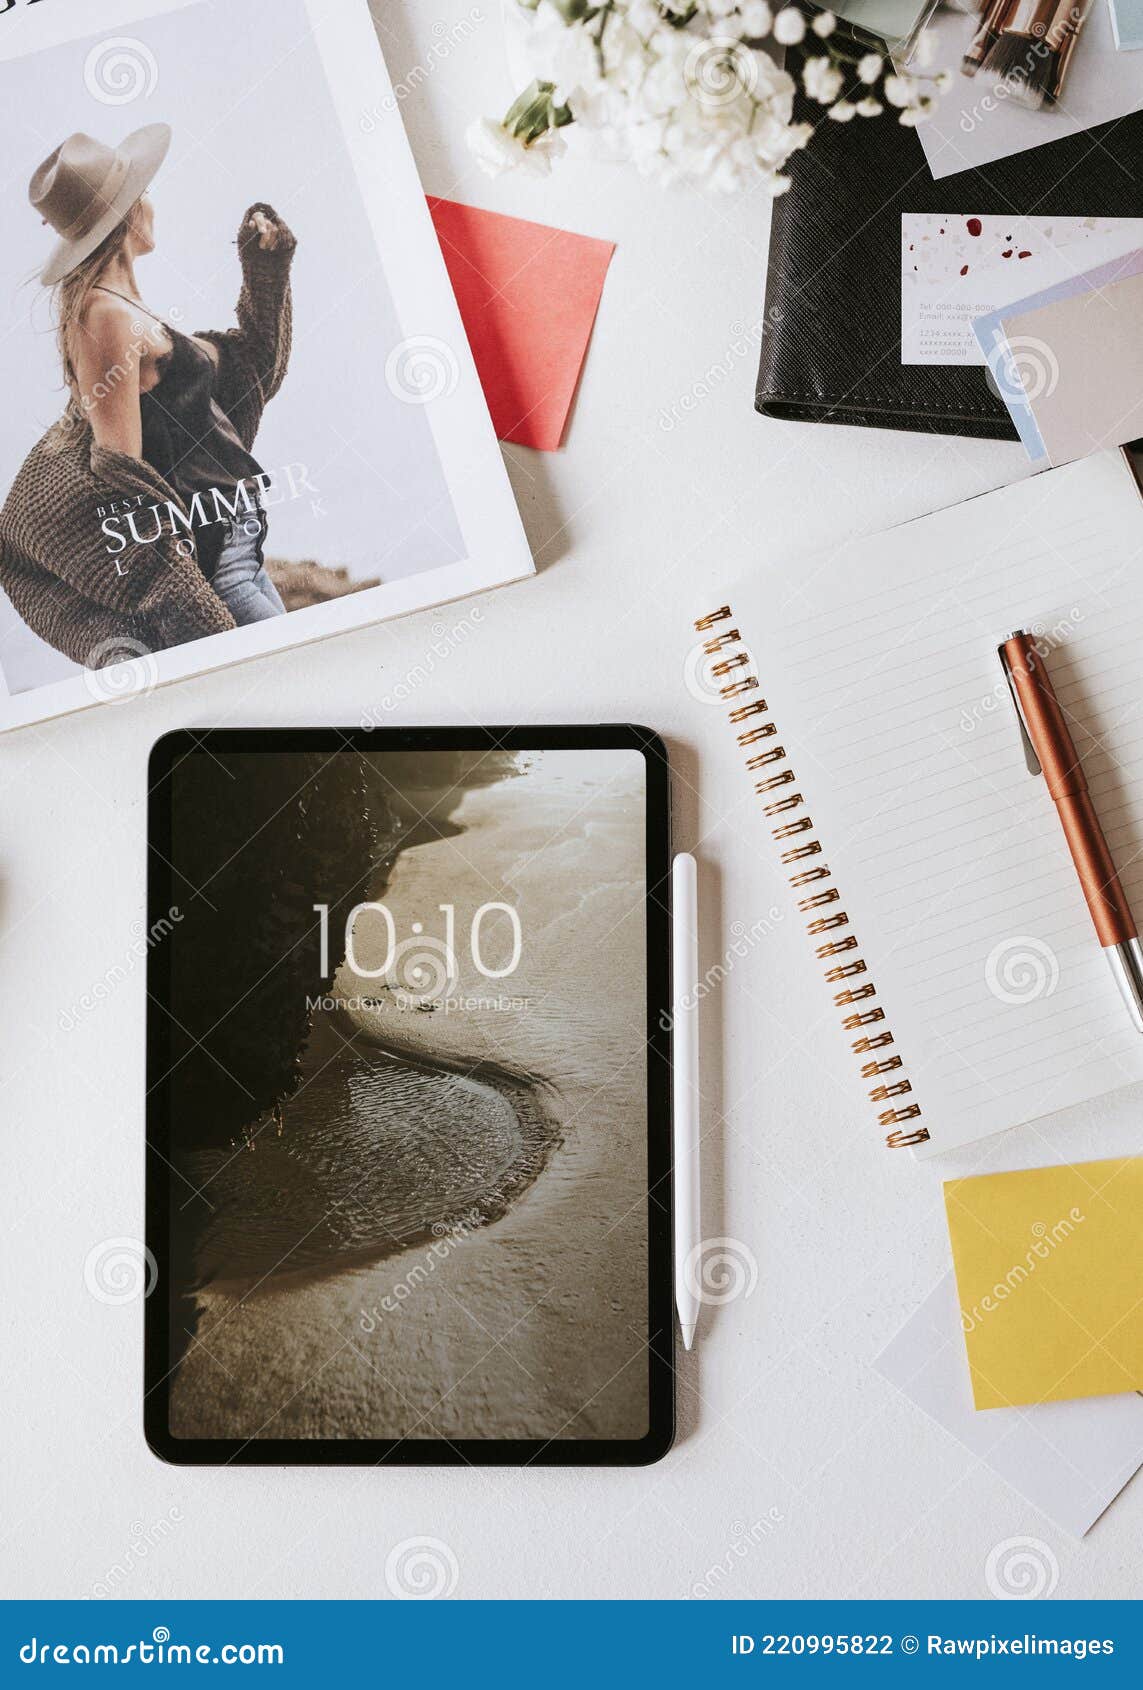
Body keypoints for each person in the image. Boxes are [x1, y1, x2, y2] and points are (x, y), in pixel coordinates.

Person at [0, 124, 297, 664]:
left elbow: (248, 374)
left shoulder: (122, 306)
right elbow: (122, 469)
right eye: (144, 193)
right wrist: (189, 606)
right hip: (216, 557)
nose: (153, 205)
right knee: (296, 684)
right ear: (127, 211)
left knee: (304, 679)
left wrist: (264, 264)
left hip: (239, 543)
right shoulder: (102, 314)